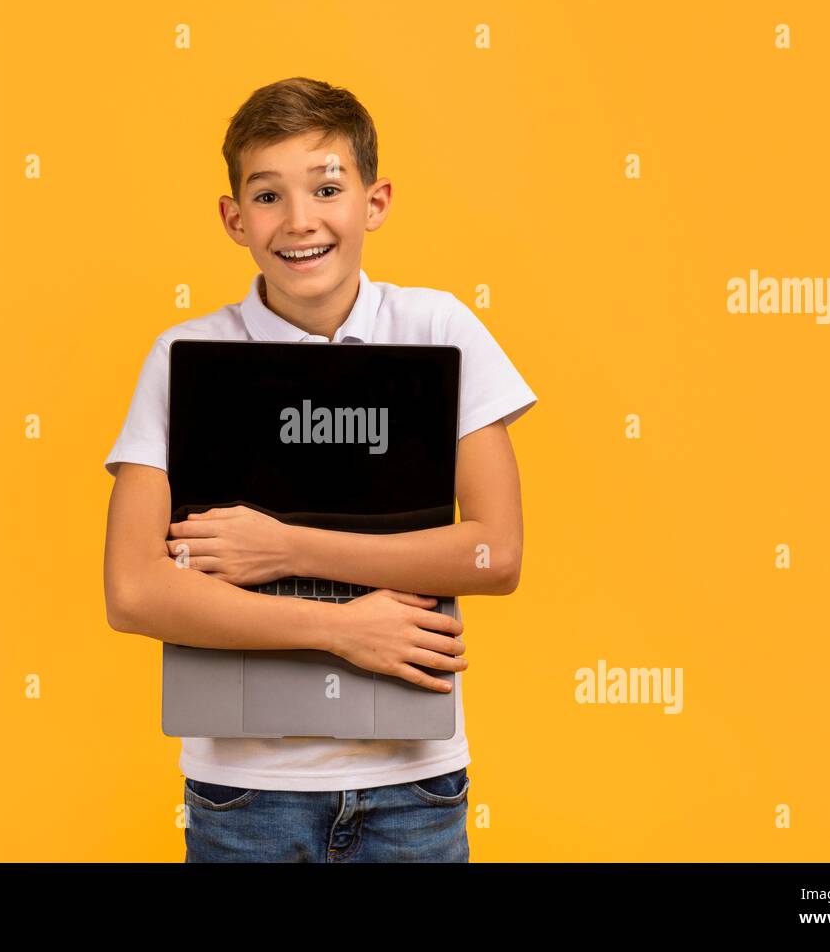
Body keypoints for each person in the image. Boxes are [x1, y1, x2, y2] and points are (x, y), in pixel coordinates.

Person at [102, 77, 536, 862]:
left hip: (415, 787)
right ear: (234, 219)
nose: (300, 221)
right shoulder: (182, 358)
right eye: (268, 196)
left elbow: (494, 554)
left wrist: (289, 549)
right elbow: (133, 590)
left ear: (374, 202)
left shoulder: (438, 327)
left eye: (327, 187)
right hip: (244, 795)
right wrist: (342, 630)